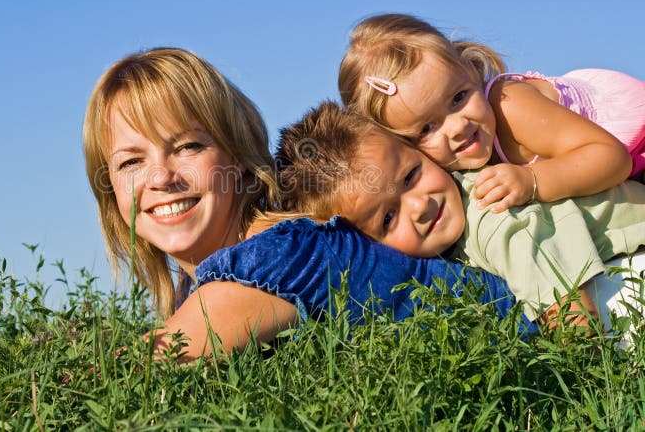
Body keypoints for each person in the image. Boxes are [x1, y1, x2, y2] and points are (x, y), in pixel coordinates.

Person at [83, 47, 535, 360]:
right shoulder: (198, 289)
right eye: (130, 162)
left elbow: (146, 365)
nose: (162, 177)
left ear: (239, 158)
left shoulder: (289, 251)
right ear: (112, 191)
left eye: (187, 147)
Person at [275, 101, 645, 328]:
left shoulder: (491, 213)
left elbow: (569, 313)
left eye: (411, 176)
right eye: (388, 219)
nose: (420, 206)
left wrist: (589, 381)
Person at [338, 13, 645, 213]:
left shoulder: (508, 106)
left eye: (458, 98)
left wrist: (530, 180)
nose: (456, 127)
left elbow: (612, 158)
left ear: (471, 69)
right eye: (426, 129)